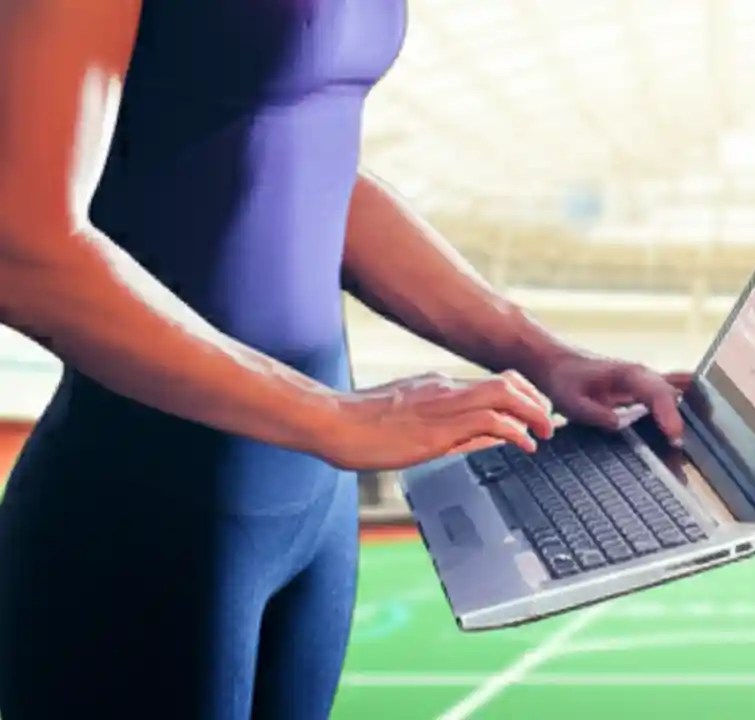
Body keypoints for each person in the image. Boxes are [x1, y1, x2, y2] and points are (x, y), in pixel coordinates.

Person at [0, 2, 689, 718]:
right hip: (147, 506)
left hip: (311, 506)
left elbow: (301, 161)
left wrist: (543, 355)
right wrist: (328, 416)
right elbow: (21, 248)